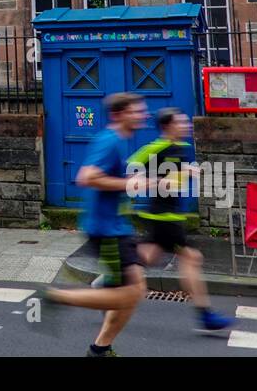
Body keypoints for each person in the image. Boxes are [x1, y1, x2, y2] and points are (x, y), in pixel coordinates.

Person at [46, 93, 150, 357]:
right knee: (132, 294)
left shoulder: (116, 140)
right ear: (118, 115)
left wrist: (144, 182)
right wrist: (131, 183)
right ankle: (57, 297)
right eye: (136, 111)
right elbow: (87, 177)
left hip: (117, 228)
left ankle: (100, 348)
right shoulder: (110, 140)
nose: (143, 115)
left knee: (133, 290)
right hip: (108, 231)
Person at [129, 109, 234, 333]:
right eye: (181, 122)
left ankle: (112, 279)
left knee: (146, 256)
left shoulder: (184, 148)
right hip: (161, 216)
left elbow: (178, 174)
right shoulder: (154, 149)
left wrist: (188, 172)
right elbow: (130, 173)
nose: (186, 125)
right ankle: (205, 315)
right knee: (192, 258)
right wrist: (156, 181)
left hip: (172, 215)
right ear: (168, 126)